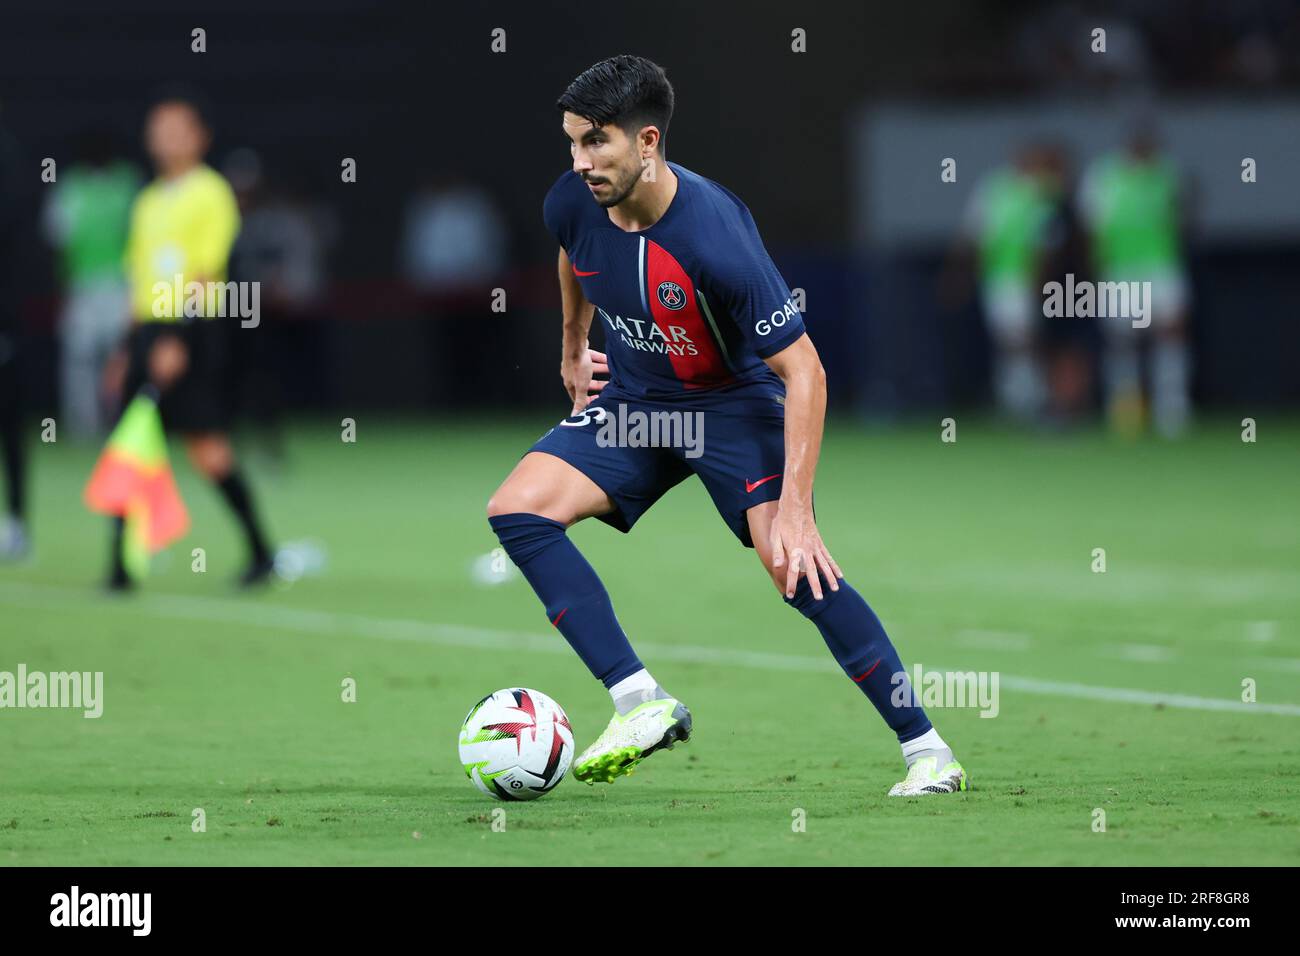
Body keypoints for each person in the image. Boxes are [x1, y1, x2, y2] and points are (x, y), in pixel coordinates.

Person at [486, 55, 967, 797]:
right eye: (572, 142)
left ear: (647, 143)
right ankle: (639, 701)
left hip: (730, 410)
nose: (580, 162)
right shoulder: (572, 201)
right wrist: (574, 347)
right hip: (638, 408)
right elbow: (571, 257)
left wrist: (799, 513)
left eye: (597, 143)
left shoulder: (715, 236)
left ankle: (927, 750)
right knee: (517, 510)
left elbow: (805, 372)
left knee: (796, 568)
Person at [104, 92, 274, 589]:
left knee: (207, 448)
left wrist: (178, 337)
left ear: (201, 136)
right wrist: (124, 349)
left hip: (193, 331)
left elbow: (204, 272)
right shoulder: (148, 200)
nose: (166, 137)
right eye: (158, 127)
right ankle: (119, 566)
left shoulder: (210, 193)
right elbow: (138, 280)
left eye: (178, 127)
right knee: (129, 444)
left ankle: (261, 551)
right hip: (149, 332)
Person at [1079, 128, 1192, 438]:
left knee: (1170, 334)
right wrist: (1095, 271)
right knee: (1122, 339)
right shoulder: (1103, 176)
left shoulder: (1168, 173)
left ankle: (1172, 410)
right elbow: (1091, 228)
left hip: (1161, 266)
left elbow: (1182, 216)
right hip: (1120, 270)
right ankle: (1125, 413)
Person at [42, 131, 138, 438]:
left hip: (121, 283)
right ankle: (83, 427)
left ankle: (121, 425)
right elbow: (57, 240)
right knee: (80, 359)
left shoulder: (128, 182)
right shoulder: (70, 185)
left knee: (119, 356)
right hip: (82, 285)